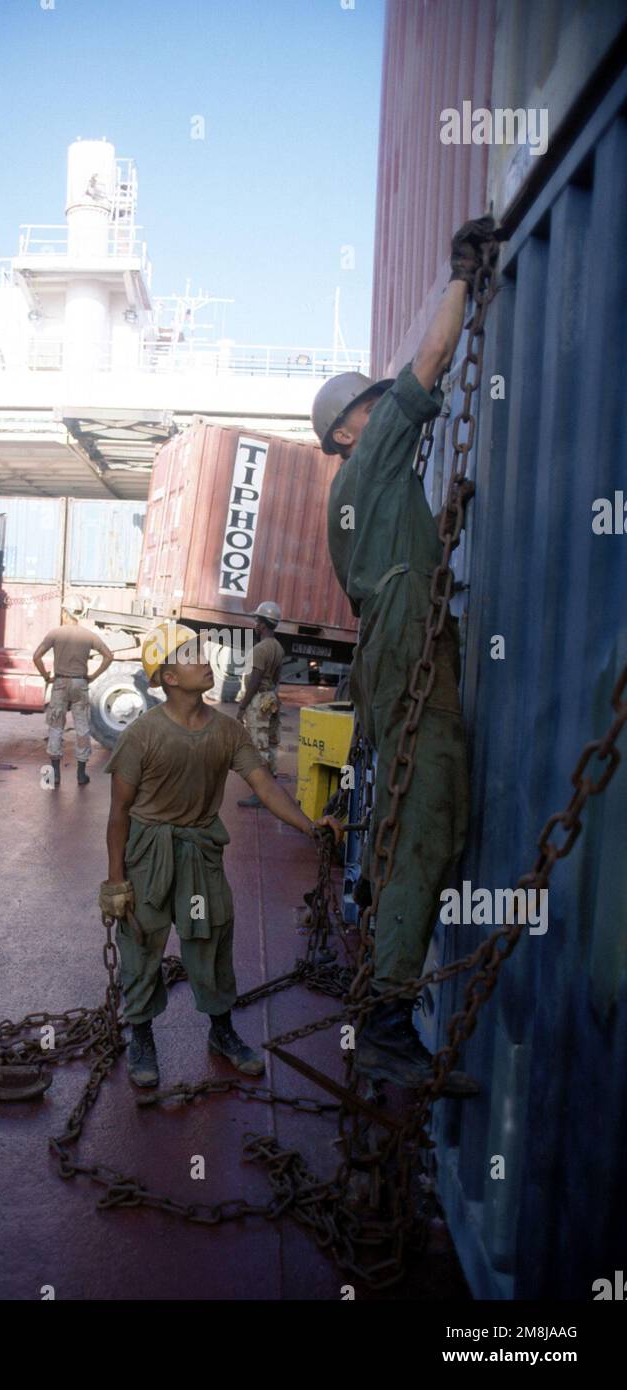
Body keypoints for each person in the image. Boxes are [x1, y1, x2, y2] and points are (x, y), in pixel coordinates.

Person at [310, 216, 497, 1096]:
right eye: (370, 407)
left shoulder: (364, 493)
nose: (388, 410)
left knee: (434, 818)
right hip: (404, 643)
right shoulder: (372, 460)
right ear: (349, 432)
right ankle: (387, 1023)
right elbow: (429, 362)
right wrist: (459, 272)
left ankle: (388, 998)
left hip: (398, 639)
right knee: (424, 822)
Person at [99, 622, 344, 1088]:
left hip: (199, 853)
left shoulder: (227, 731)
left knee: (211, 939)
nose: (204, 660)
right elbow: (119, 813)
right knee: (143, 941)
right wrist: (115, 882)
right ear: (168, 677)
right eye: (191, 655)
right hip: (149, 855)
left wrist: (310, 827)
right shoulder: (142, 735)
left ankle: (222, 1032)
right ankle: (142, 1036)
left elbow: (264, 784)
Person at [33, 596, 113, 786]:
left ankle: (56, 775)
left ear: (64, 612)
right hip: (80, 684)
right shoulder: (88, 636)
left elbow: (36, 656)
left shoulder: (55, 634)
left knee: (56, 727)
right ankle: (81, 775)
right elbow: (109, 656)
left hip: (60, 683)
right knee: (82, 728)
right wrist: (93, 676)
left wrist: (46, 676)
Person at [235, 600, 286, 808]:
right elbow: (276, 678)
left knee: (258, 747)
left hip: (258, 702)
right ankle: (271, 786)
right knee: (271, 744)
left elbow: (254, 681)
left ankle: (261, 794)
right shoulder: (278, 648)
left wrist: (242, 706)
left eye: (257, 620)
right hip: (271, 699)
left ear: (263, 624)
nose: (255, 624)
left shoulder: (260, 649)